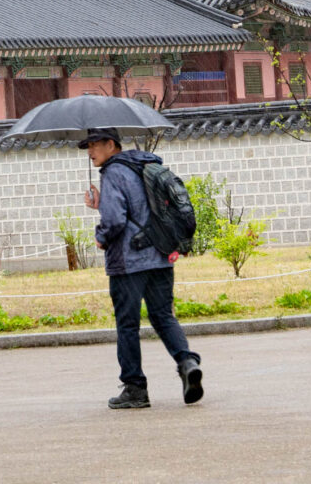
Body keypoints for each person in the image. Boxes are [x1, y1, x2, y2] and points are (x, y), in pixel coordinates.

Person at [81, 126, 203, 410]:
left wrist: (101, 238)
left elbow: (115, 221)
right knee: (163, 315)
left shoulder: (113, 172)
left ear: (111, 144)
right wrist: (102, 204)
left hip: (128, 262)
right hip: (159, 255)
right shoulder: (144, 165)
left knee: (127, 325)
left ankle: (135, 387)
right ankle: (187, 362)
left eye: (94, 145)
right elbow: (140, 210)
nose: (90, 152)